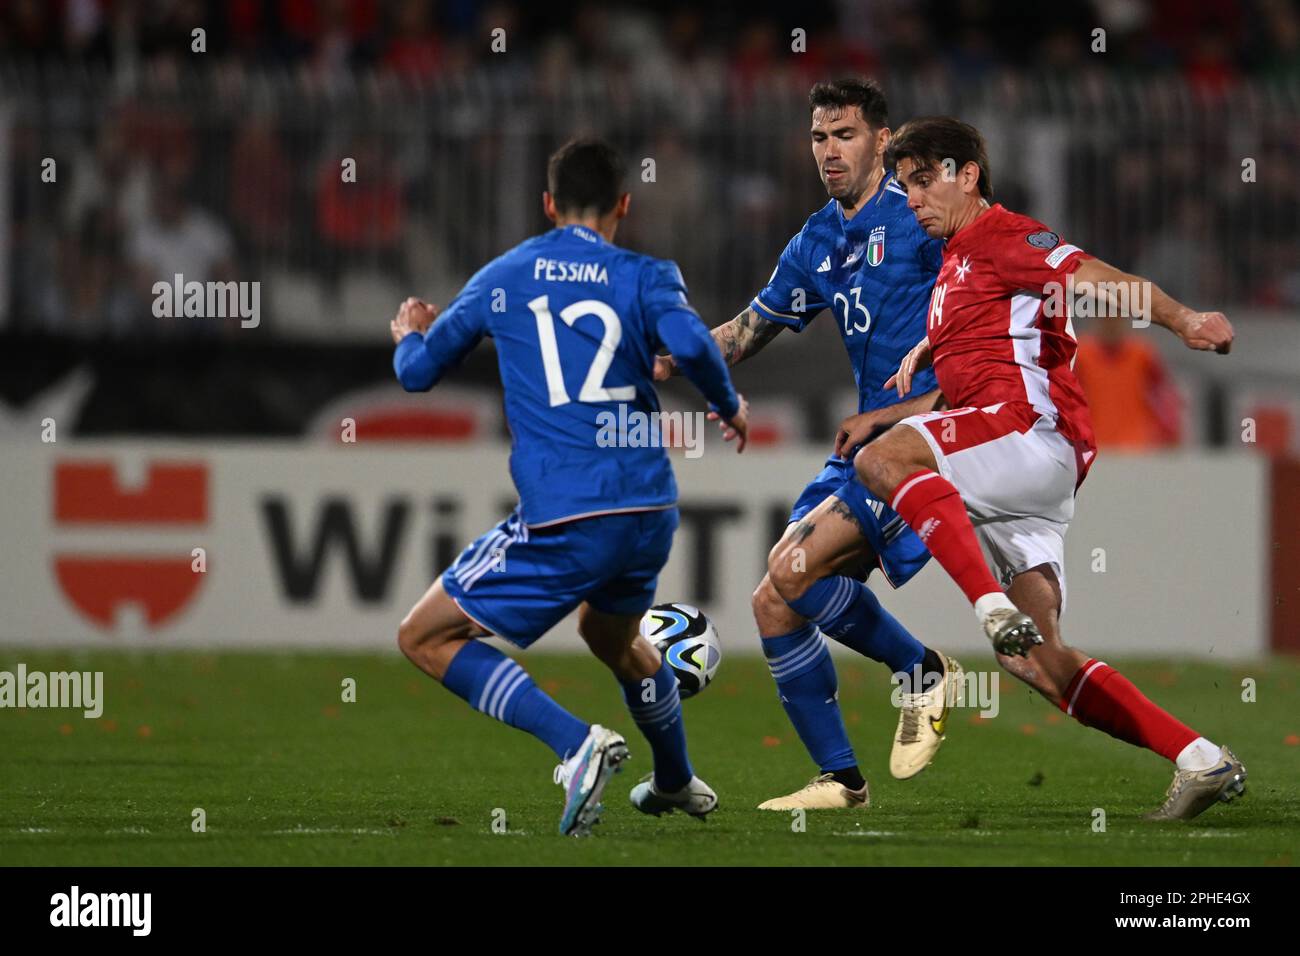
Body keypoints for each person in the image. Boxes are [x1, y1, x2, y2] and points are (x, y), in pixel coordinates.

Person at [846, 116, 1245, 821]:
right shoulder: (955, 262)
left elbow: (1097, 280)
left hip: (1028, 435)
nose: (914, 198)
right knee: (1037, 659)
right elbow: (986, 347)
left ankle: (985, 605)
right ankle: (1200, 759)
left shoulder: (1006, 237)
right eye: (906, 185)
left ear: (969, 174)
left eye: (926, 180)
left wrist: (1182, 319)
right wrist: (924, 360)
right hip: (1018, 473)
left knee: (882, 459)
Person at [391, 138, 748, 835]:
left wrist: (409, 332)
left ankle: (576, 744)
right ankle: (674, 779)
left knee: (424, 636)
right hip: (648, 509)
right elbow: (693, 345)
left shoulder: (505, 275)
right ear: (624, 205)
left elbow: (418, 373)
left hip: (568, 510)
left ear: (549, 204)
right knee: (611, 636)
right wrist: (727, 404)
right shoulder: (648, 275)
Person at [658, 78, 960, 810]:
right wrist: (672, 356)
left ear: (882, 141)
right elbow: (748, 330)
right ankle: (843, 780)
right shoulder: (817, 240)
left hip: (925, 435)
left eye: (845, 135)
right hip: (867, 441)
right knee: (775, 600)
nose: (830, 150)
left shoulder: (922, 214)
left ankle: (922, 671)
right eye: (820, 137)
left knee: (791, 568)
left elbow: (980, 302)